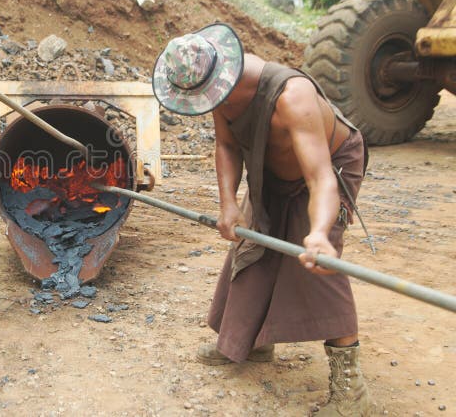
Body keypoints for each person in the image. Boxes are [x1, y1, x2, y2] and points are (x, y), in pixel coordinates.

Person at [152, 23, 374, 416]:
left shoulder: (294, 98)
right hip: (270, 166)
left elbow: (319, 177)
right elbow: (226, 143)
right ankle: (250, 342)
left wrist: (321, 233)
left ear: (227, 74)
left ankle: (352, 390)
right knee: (253, 246)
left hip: (326, 168)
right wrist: (228, 205)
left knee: (319, 268)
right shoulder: (219, 94)